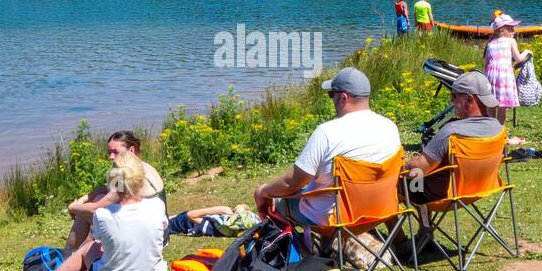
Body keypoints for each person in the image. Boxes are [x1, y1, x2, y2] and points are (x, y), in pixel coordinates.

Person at [253, 68, 401, 235]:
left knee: (278, 204)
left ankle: (296, 257)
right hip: (381, 211)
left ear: (343, 98)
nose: (332, 100)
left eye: (332, 95)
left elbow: (292, 183)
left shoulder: (327, 132)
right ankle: (398, 242)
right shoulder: (390, 127)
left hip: (336, 219)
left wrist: (264, 191)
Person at [22, 151, 168, 271]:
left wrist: (75, 206)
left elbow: (98, 242)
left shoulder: (103, 216)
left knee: (88, 249)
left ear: (113, 183)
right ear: (141, 180)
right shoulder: (157, 206)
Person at [405, 71, 503, 203]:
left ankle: (421, 224)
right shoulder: (498, 129)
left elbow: (418, 169)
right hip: (480, 189)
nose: (451, 101)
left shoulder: (451, 132)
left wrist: (403, 164)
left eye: (454, 96)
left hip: (445, 194)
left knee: (403, 181)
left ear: (469, 99)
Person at [66, 131, 166, 252]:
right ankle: (80, 249)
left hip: (146, 237)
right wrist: (86, 197)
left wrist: (72, 207)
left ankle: (69, 252)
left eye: (115, 152)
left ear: (132, 150)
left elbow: (96, 208)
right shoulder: (137, 167)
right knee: (96, 199)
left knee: (88, 211)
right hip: (158, 231)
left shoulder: (125, 173)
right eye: (109, 152)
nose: (111, 156)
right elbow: (108, 189)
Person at [483, 14, 531, 127]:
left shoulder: (490, 43)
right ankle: (500, 132)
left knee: (491, 106)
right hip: (504, 76)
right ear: (503, 30)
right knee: (502, 107)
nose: (514, 31)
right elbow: (519, 58)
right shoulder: (510, 41)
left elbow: (486, 64)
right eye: (511, 28)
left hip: (490, 76)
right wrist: (527, 51)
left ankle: (491, 130)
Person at [167, 204, 258, 238]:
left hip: (179, 224)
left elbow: (190, 215)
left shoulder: (214, 229)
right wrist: (238, 208)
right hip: (182, 219)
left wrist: (216, 209)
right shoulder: (237, 225)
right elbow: (245, 207)